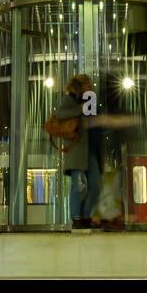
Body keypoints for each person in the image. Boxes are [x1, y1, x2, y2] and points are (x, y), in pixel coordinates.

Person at [52, 74, 100, 228]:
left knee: (95, 184)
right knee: (78, 185)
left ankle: (86, 215)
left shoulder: (90, 101)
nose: (91, 88)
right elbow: (60, 114)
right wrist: (81, 109)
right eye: (89, 85)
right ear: (81, 86)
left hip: (89, 149)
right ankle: (77, 218)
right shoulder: (70, 100)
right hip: (76, 150)